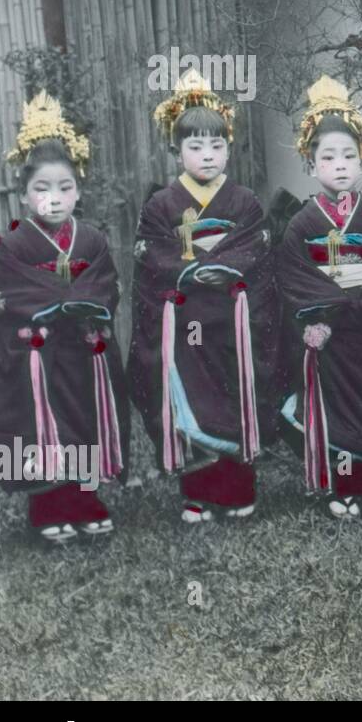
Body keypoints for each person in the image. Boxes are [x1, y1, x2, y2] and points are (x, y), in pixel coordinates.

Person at [129, 70, 278, 524]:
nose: (207, 155)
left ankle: (235, 492)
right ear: (175, 150)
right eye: (195, 146)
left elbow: (257, 249)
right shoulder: (161, 206)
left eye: (216, 146)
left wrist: (224, 269)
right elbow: (152, 259)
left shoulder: (245, 201)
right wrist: (194, 271)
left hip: (232, 318)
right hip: (184, 320)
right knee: (189, 398)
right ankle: (196, 496)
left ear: (229, 147)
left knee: (233, 395)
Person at [0, 93, 128, 543]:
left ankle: (88, 500)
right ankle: (49, 508)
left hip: (83, 349)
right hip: (38, 350)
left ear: (79, 186)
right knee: (45, 428)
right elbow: (12, 295)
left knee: (86, 422)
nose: (54, 200)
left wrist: (88, 305)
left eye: (65, 188)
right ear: (23, 190)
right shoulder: (12, 243)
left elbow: (106, 283)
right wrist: (56, 303)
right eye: (42, 189)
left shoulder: (90, 239)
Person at [277, 76, 362, 519]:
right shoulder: (301, 224)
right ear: (311, 166)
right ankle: (344, 485)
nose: (340, 165)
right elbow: (295, 276)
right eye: (328, 157)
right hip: (329, 332)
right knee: (336, 411)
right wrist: (321, 315)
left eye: (350, 155)